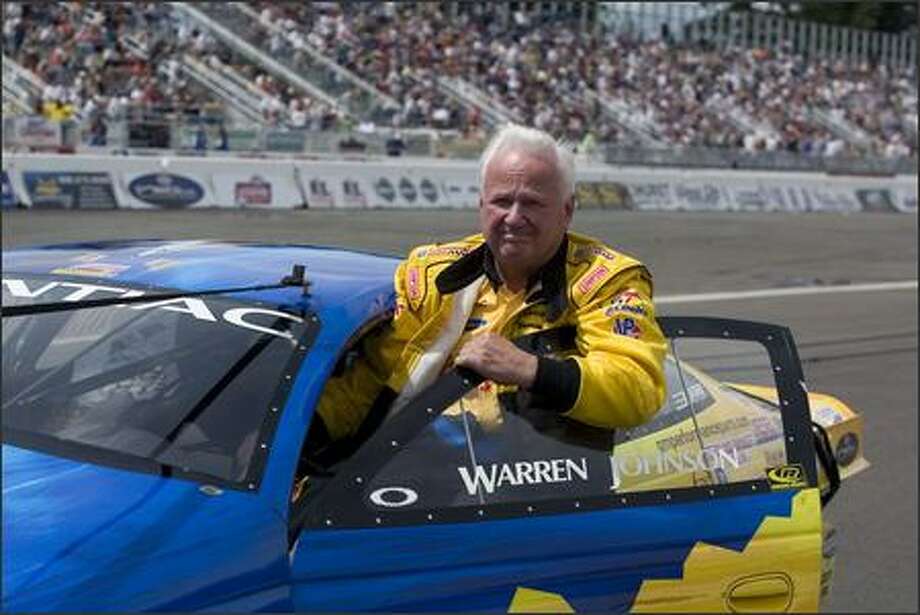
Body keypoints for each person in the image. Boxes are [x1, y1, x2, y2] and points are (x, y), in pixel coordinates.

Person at [312, 123, 667, 450]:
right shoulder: (431, 272)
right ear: (481, 205)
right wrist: (302, 433)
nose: (514, 218)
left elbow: (638, 388)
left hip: (540, 484)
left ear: (567, 211)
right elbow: (372, 383)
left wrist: (531, 370)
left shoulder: (606, 279)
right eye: (501, 201)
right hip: (420, 468)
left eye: (532, 203)